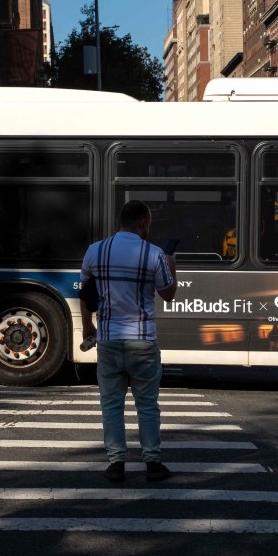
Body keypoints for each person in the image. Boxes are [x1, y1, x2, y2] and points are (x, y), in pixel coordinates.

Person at [80, 200, 178, 483]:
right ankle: (153, 463)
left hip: (109, 340)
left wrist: (88, 327)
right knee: (147, 404)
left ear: (120, 221)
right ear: (143, 224)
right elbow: (168, 294)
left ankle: (116, 463)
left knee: (111, 405)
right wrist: (173, 268)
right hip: (142, 342)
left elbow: (86, 294)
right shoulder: (154, 253)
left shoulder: (95, 251)